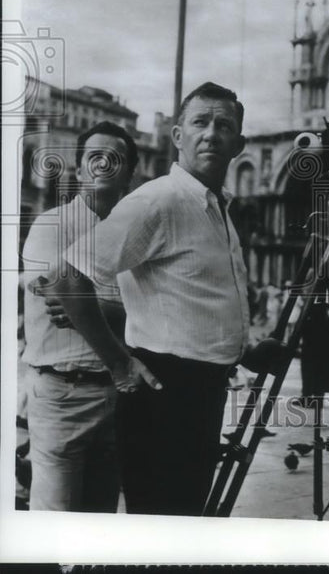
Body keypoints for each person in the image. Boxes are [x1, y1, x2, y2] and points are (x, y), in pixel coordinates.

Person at [43, 82, 251, 516]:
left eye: (224, 125)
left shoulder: (215, 208)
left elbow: (192, 301)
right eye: (200, 122)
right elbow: (67, 276)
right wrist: (119, 362)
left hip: (202, 393)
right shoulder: (159, 200)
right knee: (162, 530)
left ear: (239, 144)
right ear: (177, 137)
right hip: (165, 395)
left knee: (184, 525)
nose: (211, 133)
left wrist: (245, 350)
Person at [22, 121, 138, 511]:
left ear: (129, 172)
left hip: (116, 397)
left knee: (99, 519)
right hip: (62, 395)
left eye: (115, 157)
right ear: (78, 169)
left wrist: (90, 304)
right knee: (53, 526)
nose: (103, 164)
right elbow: (61, 303)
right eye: (94, 156)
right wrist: (126, 310)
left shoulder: (136, 233)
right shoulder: (51, 225)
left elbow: (151, 310)